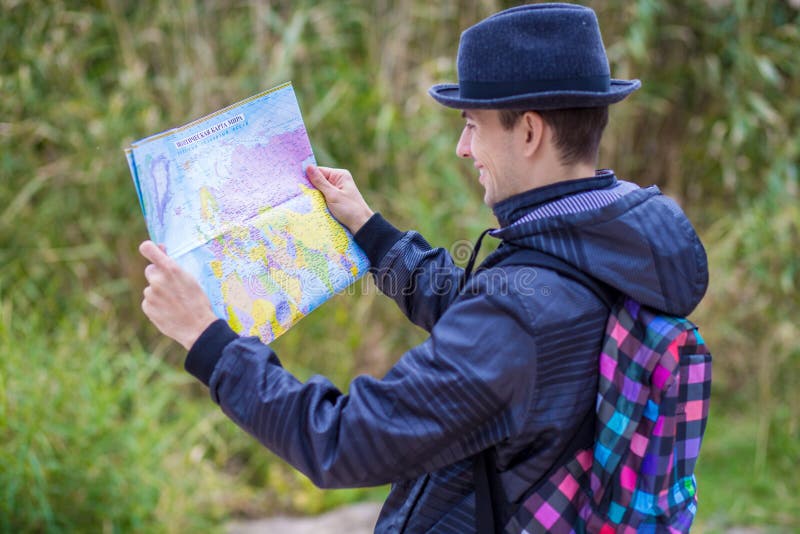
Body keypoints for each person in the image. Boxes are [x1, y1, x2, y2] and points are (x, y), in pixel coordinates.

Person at [139, 4, 708, 532]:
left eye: (472, 125)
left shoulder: (522, 315)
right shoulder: (608, 245)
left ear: (529, 131)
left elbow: (342, 441)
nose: (464, 148)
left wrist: (208, 341)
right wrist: (370, 231)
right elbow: (484, 312)